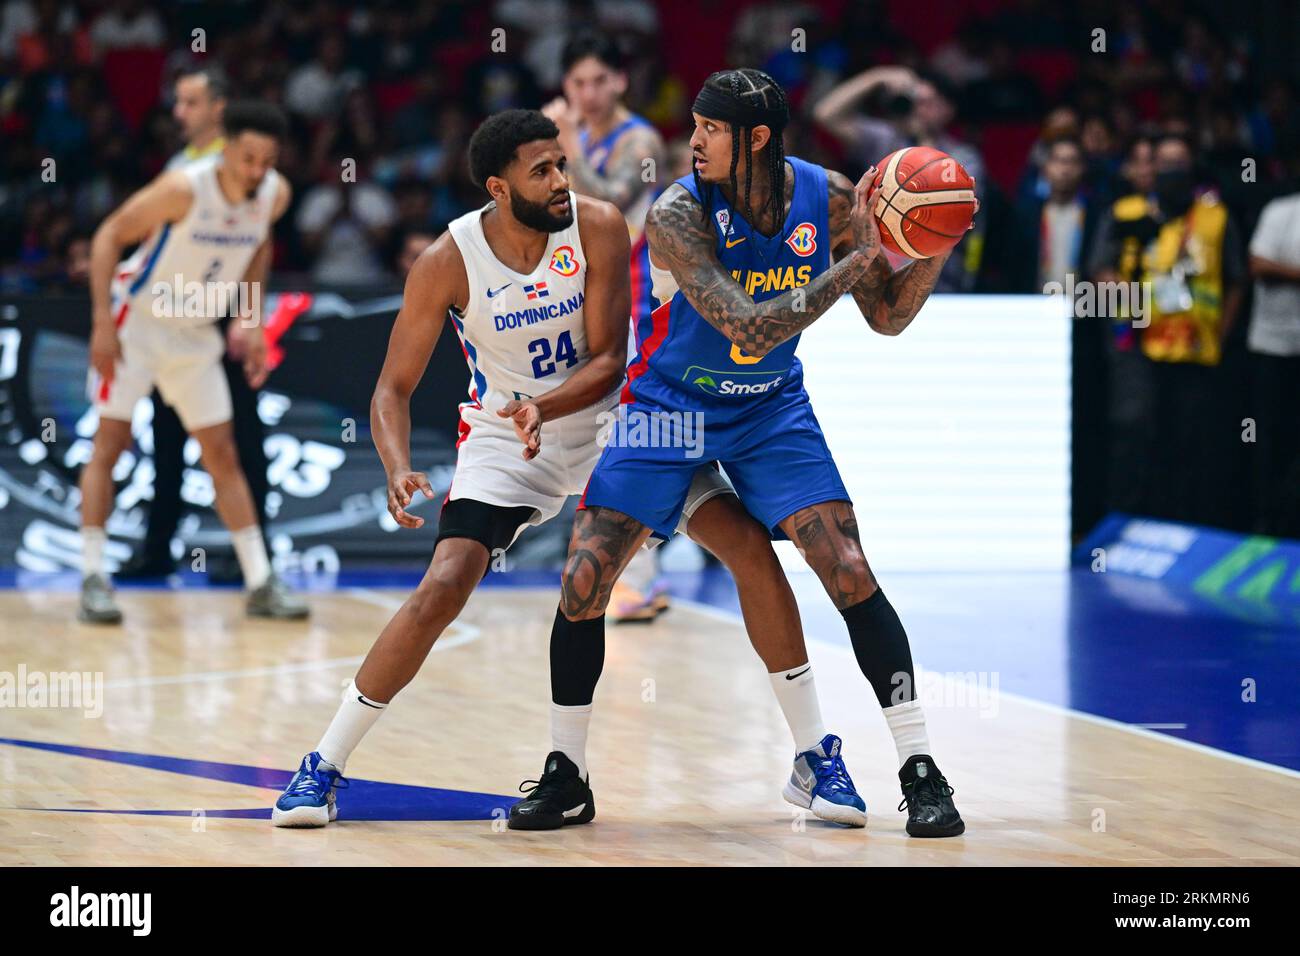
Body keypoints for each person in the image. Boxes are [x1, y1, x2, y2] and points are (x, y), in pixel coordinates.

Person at [271, 110, 873, 832]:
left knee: (747, 546)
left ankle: (813, 754)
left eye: (561, 163)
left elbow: (610, 361)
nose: (561, 180)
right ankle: (324, 766)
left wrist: (544, 405)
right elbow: (390, 390)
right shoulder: (447, 260)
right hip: (506, 437)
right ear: (498, 187)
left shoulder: (598, 225)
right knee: (443, 583)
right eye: (542, 171)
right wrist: (398, 467)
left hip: (618, 421)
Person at [509, 69, 966, 838]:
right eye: (693, 125)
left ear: (755, 138)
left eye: (709, 130)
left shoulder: (830, 198)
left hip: (767, 410)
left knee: (848, 568)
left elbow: (888, 319)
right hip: (667, 406)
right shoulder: (680, 212)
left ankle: (919, 766)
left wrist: (932, 241)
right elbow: (750, 328)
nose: (691, 141)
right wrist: (861, 259)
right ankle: (566, 772)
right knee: (586, 577)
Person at [78, 101, 308, 624]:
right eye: (248, 158)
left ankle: (259, 582)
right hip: (136, 326)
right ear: (225, 148)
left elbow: (258, 249)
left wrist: (249, 320)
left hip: (195, 336)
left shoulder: (274, 195)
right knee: (108, 447)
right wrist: (99, 324)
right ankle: (93, 577)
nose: (257, 171)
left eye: (267, 161)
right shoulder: (183, 188)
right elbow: (108, 235)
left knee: (222, 456)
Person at [117, 67, 272, 583]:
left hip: (219, 315)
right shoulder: (184, 166)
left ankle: (256, 558)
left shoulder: (242, 167)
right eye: (178, 103)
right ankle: (159, 546)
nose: (179, 113)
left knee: (241, 437)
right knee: (167, 436)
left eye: (190, 103)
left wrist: (249, 317)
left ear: (219, 110)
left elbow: (260, 242)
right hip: (171, 314)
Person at [543, 30, 673, 623]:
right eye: (577, 83)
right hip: (579, 295)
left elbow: (615, 212)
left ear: (620, 81)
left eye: (599, 80)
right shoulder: (562, 136)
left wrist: (564, 144)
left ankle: (639, 577)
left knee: (632, 434)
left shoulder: (639, 138)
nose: (588, 93)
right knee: (608, 436)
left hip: (640, 298)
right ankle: (631, 573)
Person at [1088, 133, 1246, 524]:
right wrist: (1122, 295)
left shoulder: (1215, 217)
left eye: (1180, 162)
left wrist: (1221, 335)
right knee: (1134, 429)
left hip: (1193, 349)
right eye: (1164, 162)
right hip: (1136, 345)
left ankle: (1186, 524)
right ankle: (1124, 522)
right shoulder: (1125, 213)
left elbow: (1236, 280)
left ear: (1192, 167)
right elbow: (1099, 269)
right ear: (1150, 167)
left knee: (1189, 440)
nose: (1171, 170)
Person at [1246, 188, 1300, 536]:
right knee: (1270, 442)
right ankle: (1266, 527)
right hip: (1274, 346)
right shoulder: (1282, 211)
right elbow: (1258, 264)